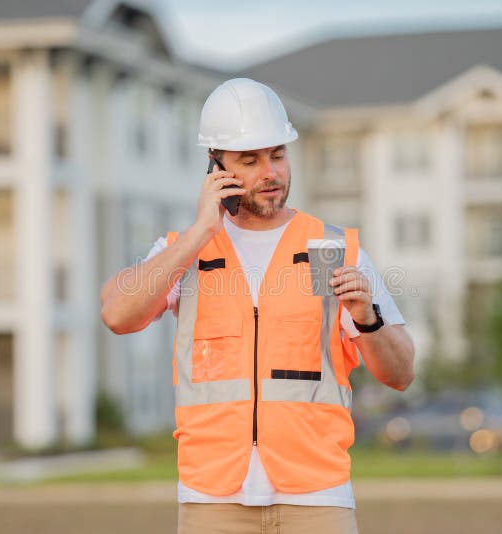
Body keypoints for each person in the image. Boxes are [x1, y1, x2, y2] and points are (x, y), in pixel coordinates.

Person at [100, 78, 415, 534]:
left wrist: (369, 319)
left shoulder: (333, 249)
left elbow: (401, 373)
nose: (271, 172)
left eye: (278, 154)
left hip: (317, 499)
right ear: (216, 167)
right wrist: (197, 234)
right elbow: (116, 313)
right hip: (213, 500)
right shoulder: (185, 253)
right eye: (250, 160)